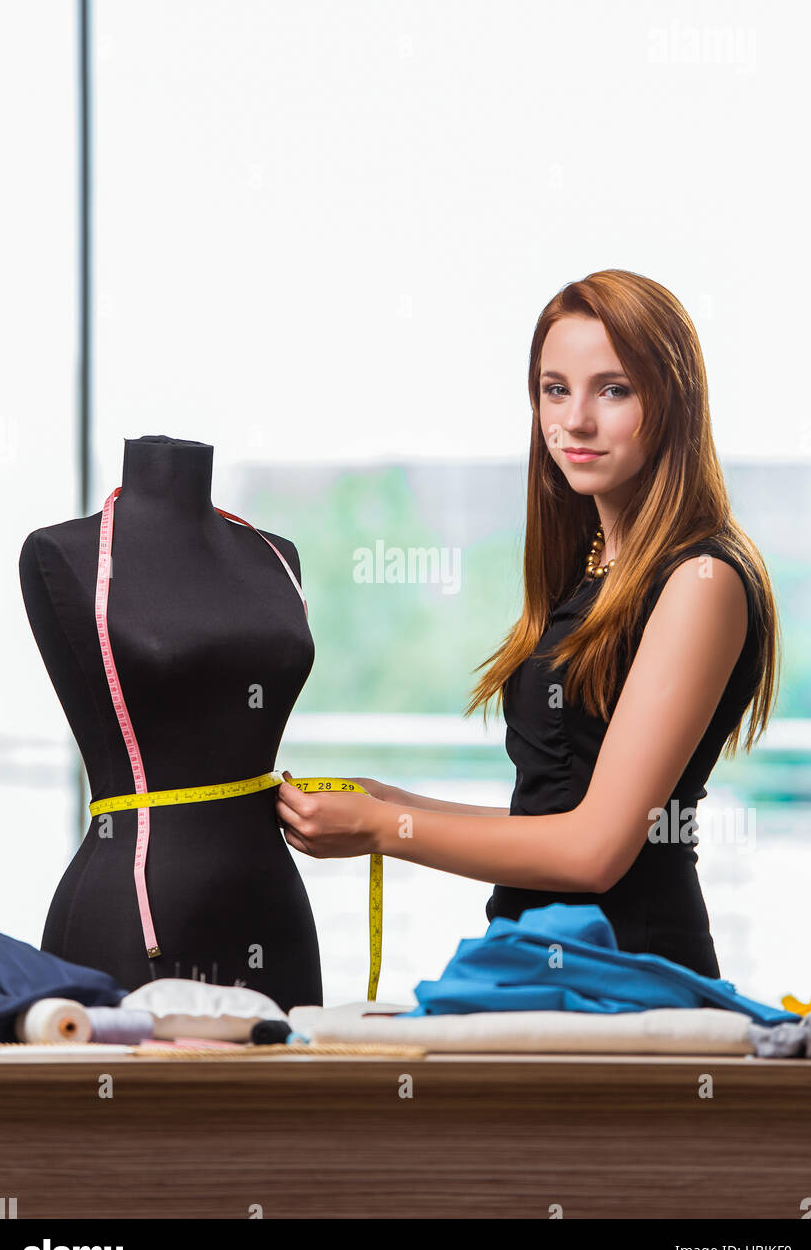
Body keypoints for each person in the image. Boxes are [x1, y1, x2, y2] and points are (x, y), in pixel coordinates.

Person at [274, 268, 780, 978]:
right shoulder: (596, 574)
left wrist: (389, 830)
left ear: (673, 401)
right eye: (554, 388)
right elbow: (557, 820)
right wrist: (389, 802)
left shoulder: (703, 581)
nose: (574, 419)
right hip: (546, 972)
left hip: (627, 982)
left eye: (614, 389)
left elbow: (596, 852)